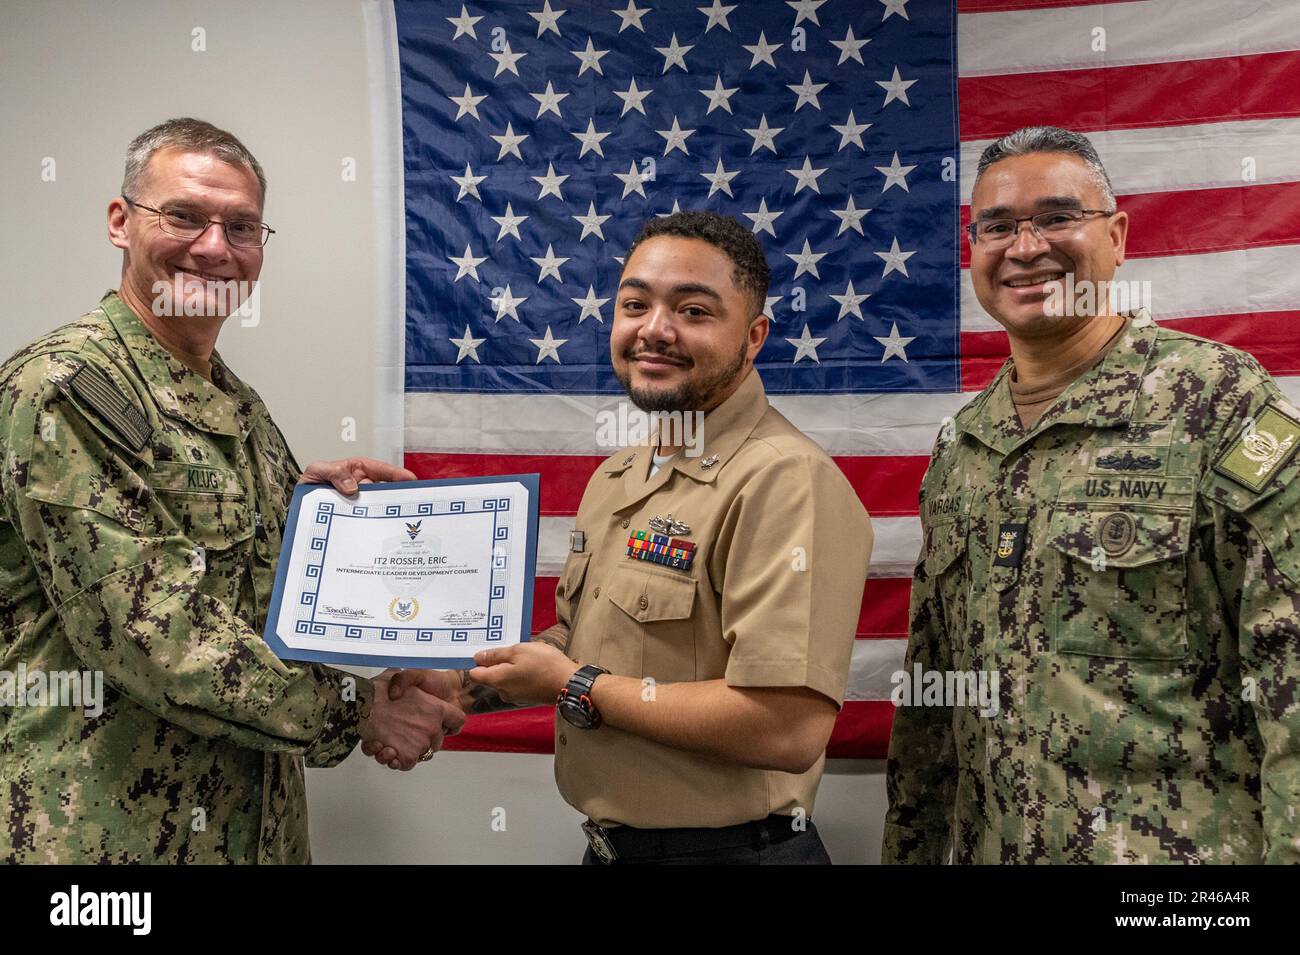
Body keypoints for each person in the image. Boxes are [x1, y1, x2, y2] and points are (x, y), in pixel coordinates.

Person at [0, 118, 463, 864]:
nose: (215, 247)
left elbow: (256, 601)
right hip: (105, 844)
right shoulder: (70, 389)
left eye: (241, 226)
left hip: (253, 833)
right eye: (183, 215)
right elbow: (156, 635)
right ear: (121, 223)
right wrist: (359, 709)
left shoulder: (234, 405)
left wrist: (328, 524)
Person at [372, 211, 873, 864]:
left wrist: (575, 684)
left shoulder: (785, 479)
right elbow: (575, 643)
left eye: (693, 310)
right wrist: (458, 688)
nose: (654, 330)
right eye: (635, 304)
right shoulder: (621, 473)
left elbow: (786, 726)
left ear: (753, 337)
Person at [883, 125, 1300, 864]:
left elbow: (1289, 670)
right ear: (972, 250)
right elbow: (931, 704)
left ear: (1117, 236)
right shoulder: (962, 449)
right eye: (998, 226)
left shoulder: (1217, 401)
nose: (1026, 245)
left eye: (1056, 217)